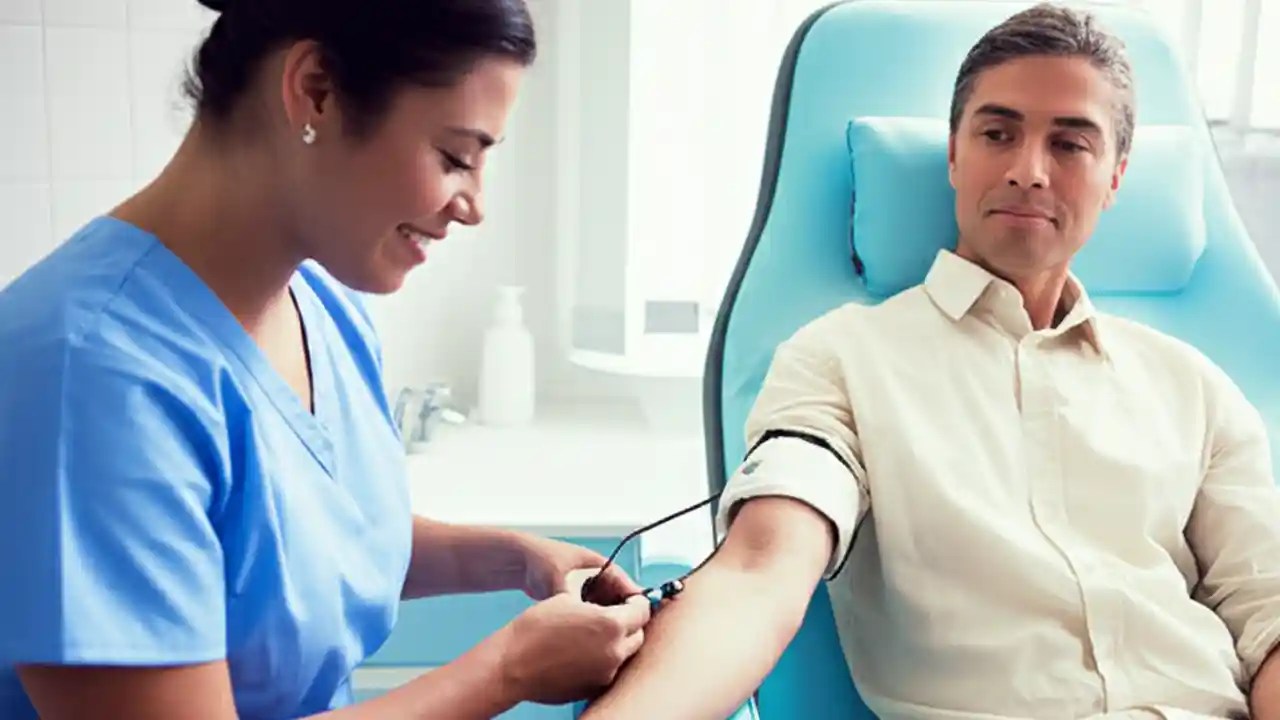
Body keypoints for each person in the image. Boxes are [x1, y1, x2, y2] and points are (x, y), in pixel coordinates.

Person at [581, 4, 1280, 720]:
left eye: (1070, 144)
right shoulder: (842, 360)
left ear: (1116, 178)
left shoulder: (1195, 388)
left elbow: (1272, 615)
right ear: (953, 153)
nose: (1029, 171)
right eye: (997, 133)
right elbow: (760, 574)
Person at [0, 1, 653, 718]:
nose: (474, 207)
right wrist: (509, 669)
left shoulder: (319, 302)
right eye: (454, 157)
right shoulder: (88, 377)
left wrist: (515, 559)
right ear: (315, 89)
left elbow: (290, 542)